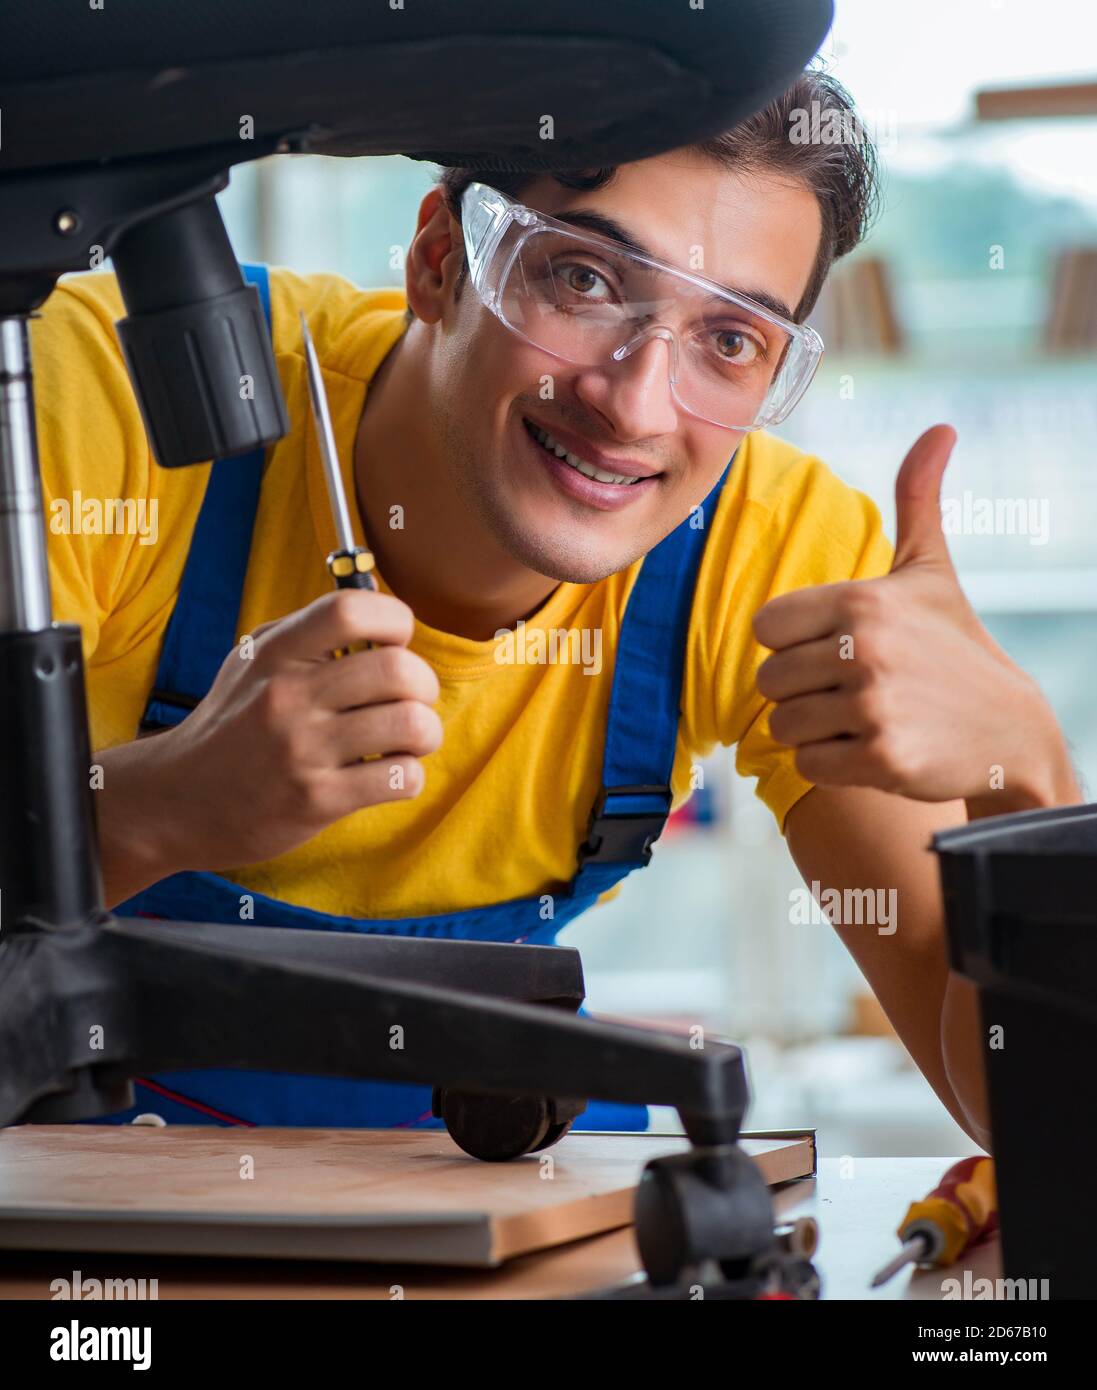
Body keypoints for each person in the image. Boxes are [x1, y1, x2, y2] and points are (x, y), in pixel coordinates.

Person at [33, 68, 1081, 1137]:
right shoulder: (117, 383)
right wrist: (157, 809)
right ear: (442, 259)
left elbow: (1028, 1116)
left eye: (728, 343)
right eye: (583, 280)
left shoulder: (776, 554)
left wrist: (1028, 783)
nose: (631, 404)